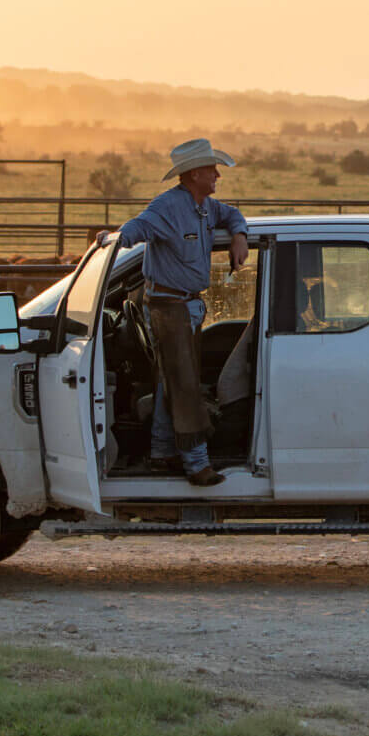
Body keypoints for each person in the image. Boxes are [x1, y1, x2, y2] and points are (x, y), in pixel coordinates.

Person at [110, 138, 249, 486]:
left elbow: (231, 214)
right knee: (185, 385)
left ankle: (160, 452)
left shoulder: (205, 207)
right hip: (168, 308)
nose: (217, 174)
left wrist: (240, 235)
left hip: (184, 307)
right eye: (210, 169)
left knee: (171, 382)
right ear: (194, 174)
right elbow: (137, 227)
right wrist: (115, 239)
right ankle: (196, 463)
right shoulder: (167, 207)